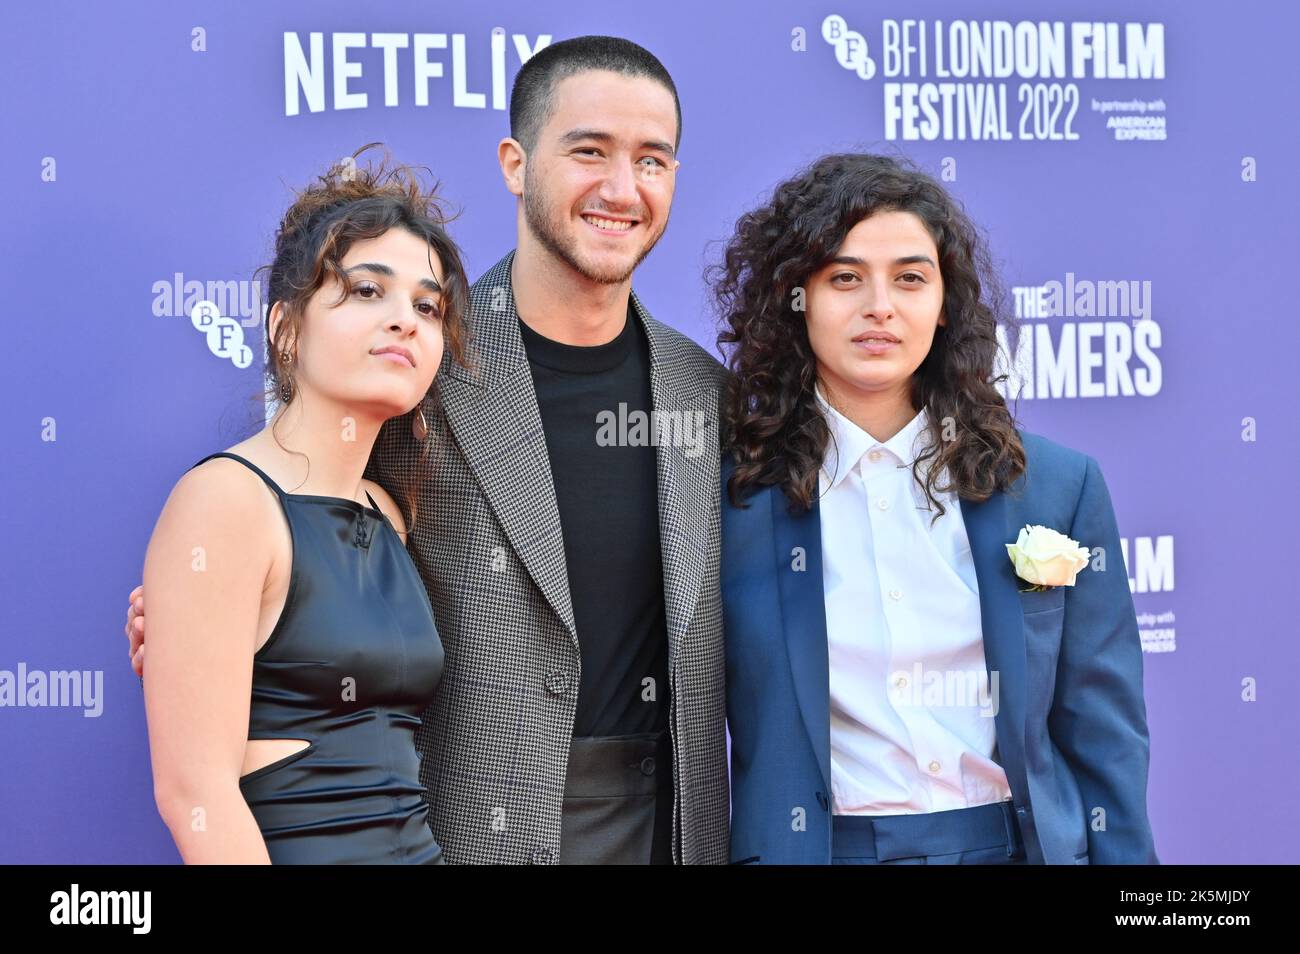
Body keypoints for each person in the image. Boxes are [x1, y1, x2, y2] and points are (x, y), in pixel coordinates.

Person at [127, 36, 730, 865]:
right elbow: (291, 545)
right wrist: (197, 613)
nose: (621, 188)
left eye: (652, 160)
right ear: (516, 164)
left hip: (666, 829)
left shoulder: (707, 394)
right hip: (465, 831)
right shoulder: (412, 375)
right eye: (589, 150)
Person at [714, 153, 1158, 864]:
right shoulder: (730, 494)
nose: (880, 306)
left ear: (945, 302)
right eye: (845, 277)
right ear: (795, 298)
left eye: (911, 278)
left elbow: (1102, 728)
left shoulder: (1052, 485)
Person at [141, 146, 471, 863]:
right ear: (286, 328)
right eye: (364, 291)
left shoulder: (386, 511)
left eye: (427, 305)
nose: (404, 321)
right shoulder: (225, 502)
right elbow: (194, 795)